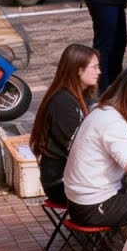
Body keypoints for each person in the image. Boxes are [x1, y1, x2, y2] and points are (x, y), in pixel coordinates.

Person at [62, 65, 127, 229]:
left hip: (80, 200)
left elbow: (117, 142)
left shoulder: (103, 110)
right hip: (92, 206)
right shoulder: (113, 121)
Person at [30, 44, 100, 205]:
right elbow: (78, 147)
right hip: (60, 183)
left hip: (75, 177)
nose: (99, 72)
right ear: (78, 70)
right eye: (95, 67)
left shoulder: (81, 96)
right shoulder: (63, 102)